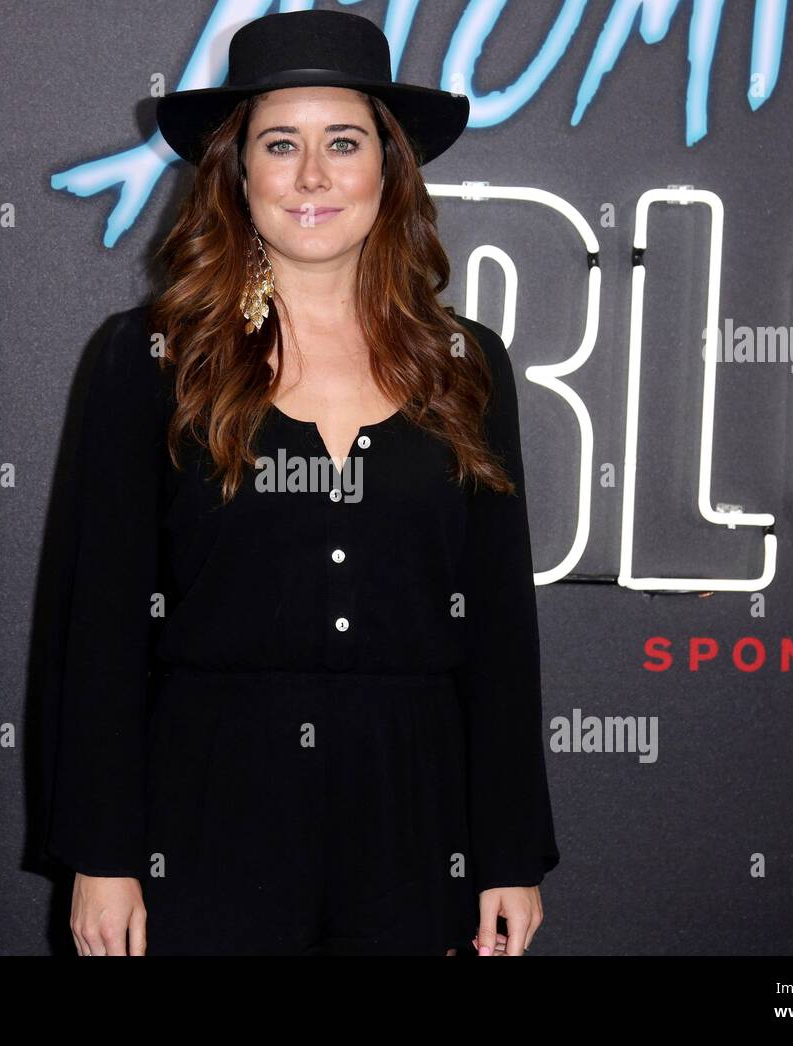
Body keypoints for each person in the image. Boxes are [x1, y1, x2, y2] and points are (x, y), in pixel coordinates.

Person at [43, 8, 559, 956]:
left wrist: (509, 854)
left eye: (344, 143)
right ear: (238, 174)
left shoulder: (463, 365)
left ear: (388, 170)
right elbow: (101, 628)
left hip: (415, 824)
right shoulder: (151, 360)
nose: (313, 176)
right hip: (201, 817)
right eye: (280, 145)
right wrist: (102, 856)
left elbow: (499, 633)